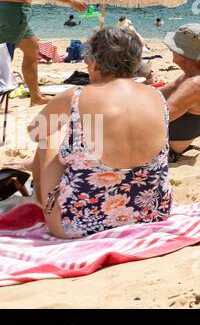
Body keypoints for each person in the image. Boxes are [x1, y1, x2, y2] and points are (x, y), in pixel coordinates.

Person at [28, 25, 171, 238]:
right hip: (152, 213)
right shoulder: (156, 97)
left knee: (47, 135)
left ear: (94, 63)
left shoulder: (76, 96)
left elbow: (34, 131)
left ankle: (43, 204)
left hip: (79, 224)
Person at [159, 23, 200, 157]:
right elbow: (171, 88)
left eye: (173, 48)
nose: (171, 50)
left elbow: (160, 118)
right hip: (175, 136)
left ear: (183, 54)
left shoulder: (194, 84)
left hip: (168, 148)